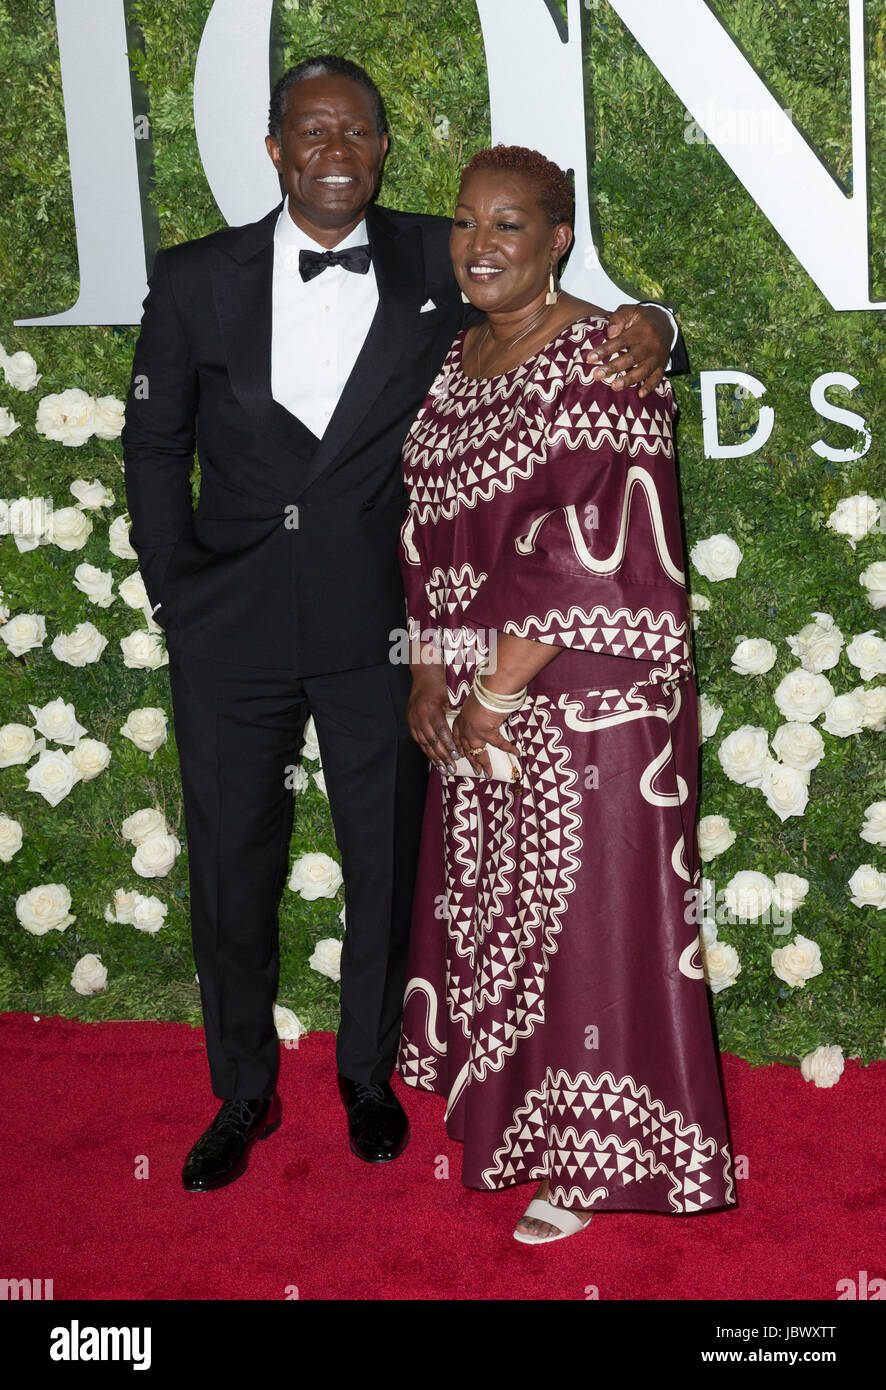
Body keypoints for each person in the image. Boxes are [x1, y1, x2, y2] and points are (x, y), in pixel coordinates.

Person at [122, 55, 680, 1193]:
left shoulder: (443, 252)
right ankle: (241, 1091)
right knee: (232, 866)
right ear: (274, 149)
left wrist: (658, 325)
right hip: (226, 631)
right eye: (311, 132)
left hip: (380, 629)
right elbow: (152, 443)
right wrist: (173, 586)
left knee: (388, 861)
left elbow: (565, 294)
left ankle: (369, 1077)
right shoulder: (191, 280)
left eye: (358, 132)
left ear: (384, 151)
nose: (336, 151)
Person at [397, 145, 735, 1243]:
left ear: (558, 239)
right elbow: (427, 535)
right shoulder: (456, 360)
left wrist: (491, 690)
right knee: (507, 921)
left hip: (588, 701)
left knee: (589, 924)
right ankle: (522, 1124)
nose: (478, 246)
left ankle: (594, 1162)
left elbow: (594, 548)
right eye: (463, 223)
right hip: (480, 692)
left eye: (508, 226)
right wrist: (431, 668)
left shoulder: (608, 356)